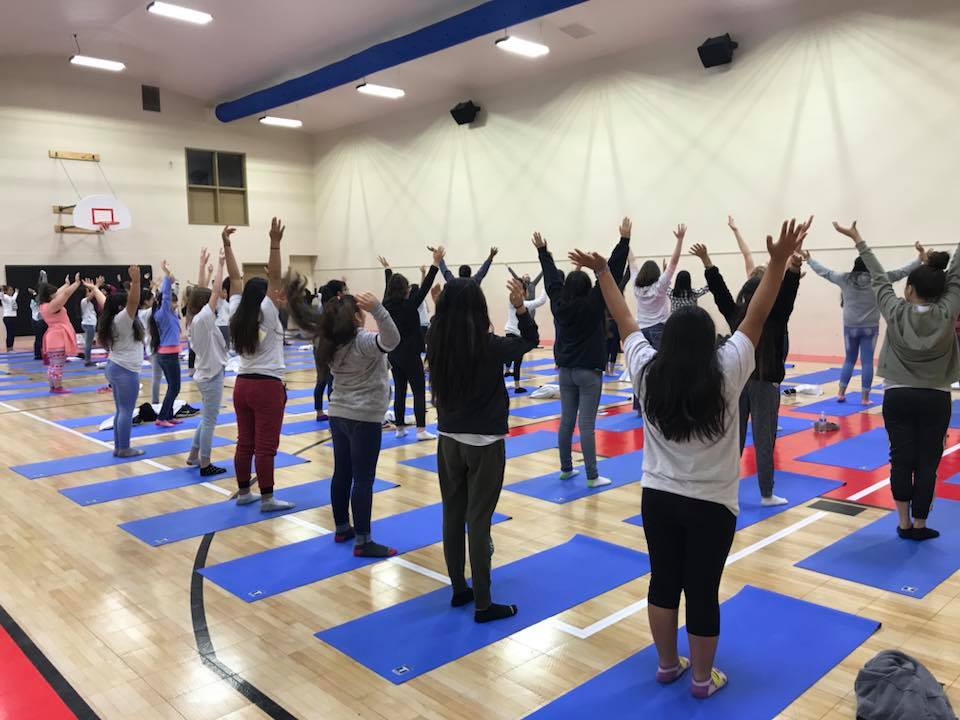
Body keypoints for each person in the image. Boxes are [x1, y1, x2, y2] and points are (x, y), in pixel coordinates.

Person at [572, 217, 806, 699]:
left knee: (664, 582)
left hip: (658, 497)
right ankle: (701, 679)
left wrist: (604, 273)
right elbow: (756, 317)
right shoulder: (729, 369)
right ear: (709, 342)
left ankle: (666, 665)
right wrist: (780, 262)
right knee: (702, 591)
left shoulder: (646, 371)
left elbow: (625, 320)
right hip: (713, 506)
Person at [834, 221, 960, 540]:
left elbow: (878, 275)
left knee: (901, 460)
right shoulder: (948, 310)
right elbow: (956, 274)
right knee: (928, 463)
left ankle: (903, 523)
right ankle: (920, 525)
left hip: (898, 396)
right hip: (935, 397)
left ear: (908, 289)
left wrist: (858, 238)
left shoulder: (895, 310)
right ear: (943, 291)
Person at [428, 277, 538, 623]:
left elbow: (437, 323)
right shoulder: (490, 345)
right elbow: (531, 340)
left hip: (448, 439)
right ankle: (483, 603)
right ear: (479, 309)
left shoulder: (436, 339)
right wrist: (520, 307)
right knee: (478, 520)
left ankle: (460, 587)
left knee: (452, 513)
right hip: (484, 443)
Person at [286, 274, 401, 557]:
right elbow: (393, 339)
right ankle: (363, 541)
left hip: (339, 415)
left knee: (343, 473)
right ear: (354, 318)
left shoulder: (330, 342)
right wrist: (377, 308)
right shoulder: (362, 341)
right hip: (364, 418)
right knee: (363, 478)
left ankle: (342, 528)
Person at [690, 232, 807, 506]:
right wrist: (793, 268)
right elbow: (787, 294)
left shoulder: (736, 315)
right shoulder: (776, 316)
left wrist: (707, 262)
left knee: (734, 439)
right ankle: (766, 494)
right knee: (763, 441)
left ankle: (726, 489)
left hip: (738, 383)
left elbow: (720, 293)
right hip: (764, 384)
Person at [535, 217, 631, 488]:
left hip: (566, 372)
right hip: (588, 372)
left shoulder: (559, 304)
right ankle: (592, 475)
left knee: (566, 421)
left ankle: (566, 468)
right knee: (586, 424)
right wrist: (624, 241)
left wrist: (543, 252)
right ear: (588, 289)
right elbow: (609, 273)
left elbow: (553, 281)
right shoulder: (592, 304)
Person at [229, 219, 295, 512]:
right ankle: (267, 498)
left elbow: (233, 278)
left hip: (242, 385)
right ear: (265, 294)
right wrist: (275, 243)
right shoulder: (267, 311)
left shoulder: (237, 310)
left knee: (245, 442)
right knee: (265, 446)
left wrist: (227, 245)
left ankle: (244, 492)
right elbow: (277, 276)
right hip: (266, 386)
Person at [803, 244, 923, 403]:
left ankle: (840, 393)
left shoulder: (845, 279)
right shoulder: (879, 279)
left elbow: (825, 272)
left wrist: (809, 260)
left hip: (850, 327)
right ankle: (865, 398)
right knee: (867, 362)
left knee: (849, 359)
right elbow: (901, 272)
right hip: (870, 328)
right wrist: (919, 259)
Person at [378, 249, 442, 440]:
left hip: (394, 355)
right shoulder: (410, 304)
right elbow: (426, 286)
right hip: (411, 354)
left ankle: (399, 428)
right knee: (418, 391)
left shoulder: (386, 305)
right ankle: (421, 429)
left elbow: (386, 288)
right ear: (405, 289)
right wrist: (435, 264)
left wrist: (388, 270)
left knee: (400, 390)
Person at [185, 244, 231, 476]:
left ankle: (194, 456)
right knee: (211, 420)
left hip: (205, 373)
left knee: (206, 417)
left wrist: (203, 265)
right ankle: (205, 463)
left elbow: (202, 290)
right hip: (210, 375)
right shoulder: (203, 317)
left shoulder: (194, 318)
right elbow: (213, 291)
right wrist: (221, 264)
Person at [97, 266, 145, 458]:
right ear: (120, 308)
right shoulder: (122, 320)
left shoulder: (112, 319)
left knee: (121, 410)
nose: (130, 308)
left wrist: (95, 290)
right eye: (125, 305)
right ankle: (124, 448)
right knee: (126, 410)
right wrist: (136, 282)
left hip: (116, 367)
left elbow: (106, 301)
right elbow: (133, 301)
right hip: (125, 370)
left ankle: (119, 447)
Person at [631, 222, 684, 349]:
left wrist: (626, 239)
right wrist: (680, 240)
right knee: (659, 364)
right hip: (659, 328)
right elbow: (673, 262)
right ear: (657, 274)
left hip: (641, 329)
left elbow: (632, 262)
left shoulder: (636, 287)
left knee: (644, 363)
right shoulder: (660, 286)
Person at [149, 262, 183, 427]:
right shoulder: (162, 313)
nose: (175, 304)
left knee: (173, 386)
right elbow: (166, 294)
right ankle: (162, 417)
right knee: (175, 387)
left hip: (169, 353)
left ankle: (168, 415)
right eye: (172, 301)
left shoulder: (169, 313)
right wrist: (167, 274)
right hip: (167, 355)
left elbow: (169, 293)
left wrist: (170, 280)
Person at [39, 274, 82, 393]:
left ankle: (53, 386)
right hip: (58, 337)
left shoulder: (44, 305)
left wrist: (67, 284)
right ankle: (58, 387)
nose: (56, 295)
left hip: (53, 336)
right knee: (58, 365)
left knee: (53, 364)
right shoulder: (52, 305)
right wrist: (76, 283)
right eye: (53, 294)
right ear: (49, 295)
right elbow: (66, 294)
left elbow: (59, 292)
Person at [313, 279, 346, 422]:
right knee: (331, 379)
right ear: (338, 293)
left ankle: (320, 411)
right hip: (328, 346)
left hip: (318, 345)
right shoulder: (333, 307)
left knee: (321, 379)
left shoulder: (321, 305)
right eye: (344, 290)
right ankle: (333, 411)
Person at [504, 285, 546, 394]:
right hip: (516, 335)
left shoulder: (519, 304)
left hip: (510, 333)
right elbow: (541, 301)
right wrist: (546, 286)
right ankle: (517, 386)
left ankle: (507, 371)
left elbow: (540, 301)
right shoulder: (520, 304)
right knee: (517, 361)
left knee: (508, 357)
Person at [432, 246, 496, 284]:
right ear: (470, 273)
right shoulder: (474, 281)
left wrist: (439, 259)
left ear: (459, 273)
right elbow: (483, 271)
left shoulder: (453, 282)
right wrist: (491, 256)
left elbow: (445, 271)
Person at [80, 279, 101, 365]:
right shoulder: (84, 301)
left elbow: (92, 294)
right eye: (88, 291)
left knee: (88, 343)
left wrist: (92, 287)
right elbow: (93, 294)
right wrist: (97, 285)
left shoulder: (87, 302)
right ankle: (87, 361)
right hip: (88, 324)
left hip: (89, 324)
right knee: (88, 344)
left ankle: (87, 359)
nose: (90, 292)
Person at [2, 286, 19, 351]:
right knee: (10, 333)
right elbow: (2, 297)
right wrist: (1, 291)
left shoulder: (11, 297)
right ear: (6, 291)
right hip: (8, 317)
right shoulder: (5, 297)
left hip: (13, 317)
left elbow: (13, 299)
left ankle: (11, 347)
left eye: (12, 290)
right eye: (10, 290)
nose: (11, 291)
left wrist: (16, 293)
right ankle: (9, 348)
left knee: (12, 333)